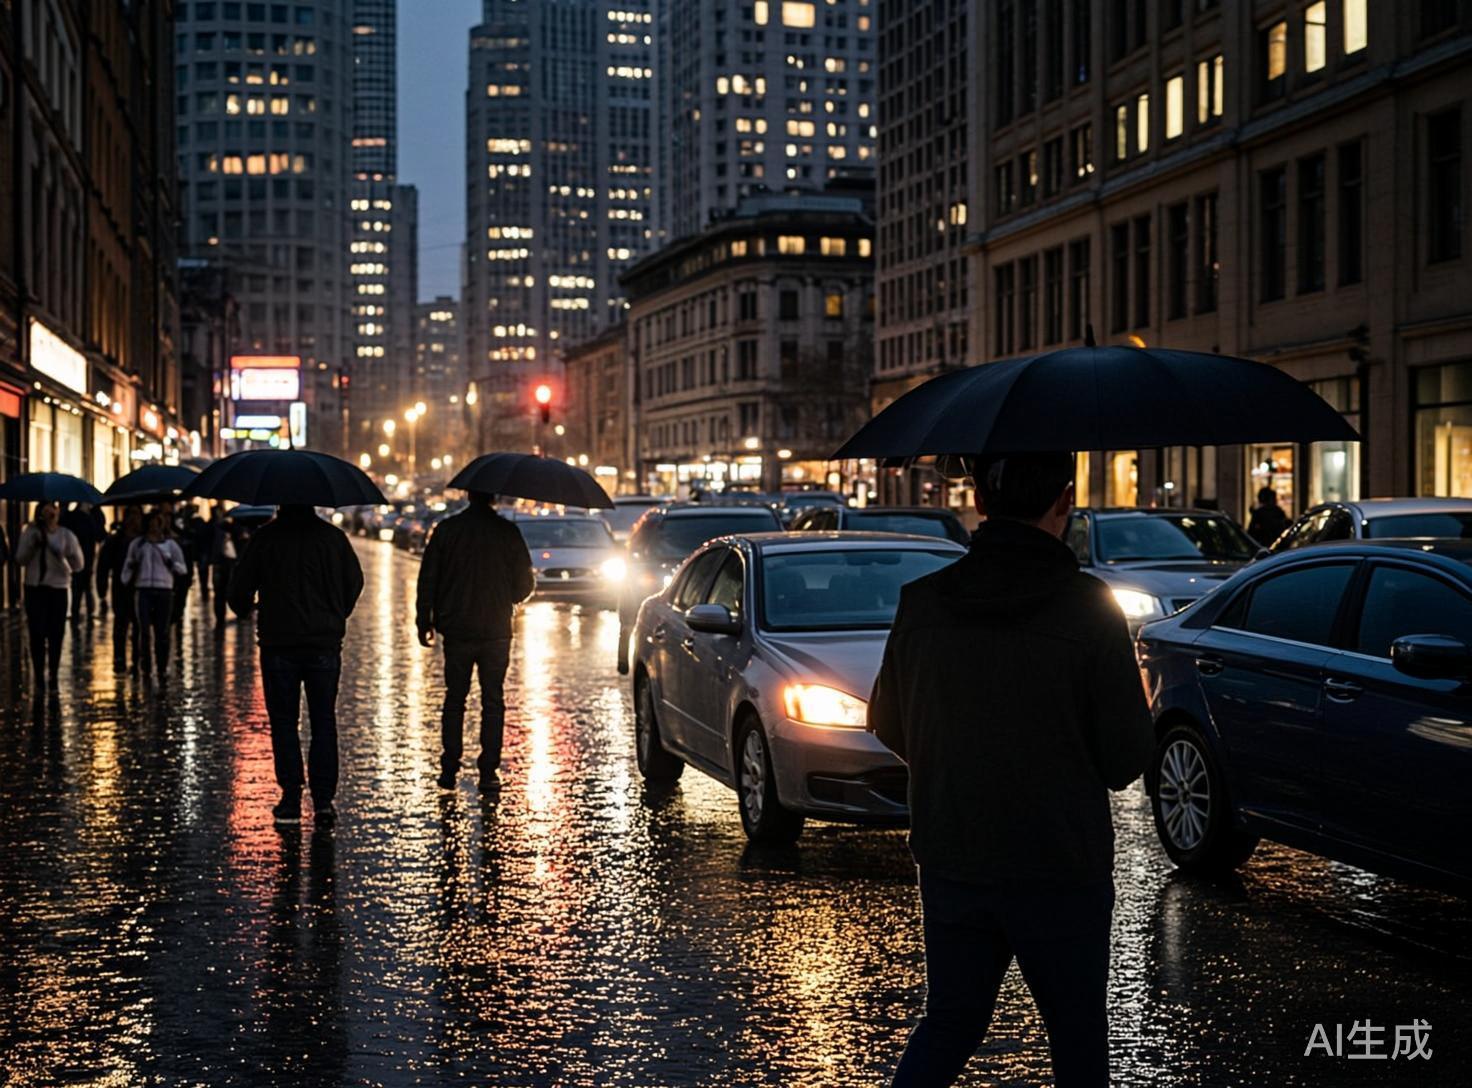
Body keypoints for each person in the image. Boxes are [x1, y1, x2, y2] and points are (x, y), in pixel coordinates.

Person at [868, 451, 1155, 1088]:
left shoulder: (924, 602)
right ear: (1063, 502)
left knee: (950, 1022)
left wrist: (958, 765)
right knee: (1076, 1031)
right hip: (1058, 861)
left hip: (953, 852)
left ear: (978, 506)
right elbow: (1124, 760)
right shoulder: (1089, 607)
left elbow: (886, 721)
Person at [228, 505, 364, 827]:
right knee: (323, 721)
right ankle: (323, 800)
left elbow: (239, 590)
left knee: (284, 722)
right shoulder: (333, 538)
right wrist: (334, 614)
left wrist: (247, 607)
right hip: (323, 644)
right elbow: (354, 582)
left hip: (279, 643)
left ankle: (290, 796)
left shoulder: (266, 538)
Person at [415, 490, 534, 791]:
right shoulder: (508, 532)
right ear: (495, 497)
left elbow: (428, 578)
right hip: (495, 629)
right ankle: (488, 772)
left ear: (468, 495)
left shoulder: (447, 530)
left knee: (455, 698)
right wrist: (506, 599)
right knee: (493, 700)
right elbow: (525, 584)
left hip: (456, 628)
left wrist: (424, 619)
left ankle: (449, 767)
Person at [14, 501, 84, 690]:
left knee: (56, 632)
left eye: (52, 512)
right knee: (36, 632)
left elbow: (78, 564)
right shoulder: (30, 532)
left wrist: (59, 550)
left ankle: (53, 671)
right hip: (35, 587)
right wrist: (32, 545)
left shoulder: (65, 535)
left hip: (58, 587)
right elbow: (20, 558)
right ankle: (38, 673)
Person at [122, 511, 188, 685]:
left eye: (157, 523)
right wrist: (131, 568)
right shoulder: (138, 545)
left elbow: (182, 569)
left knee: (162, 632)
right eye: (151, 523)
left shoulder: (170, 545)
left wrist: (171, 564)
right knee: (143, 631)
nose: (154, 527)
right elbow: (126, 571)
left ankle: (161, 667)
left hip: (164, 590)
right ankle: (146, 667)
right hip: (143, 590)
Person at [98, 507, 145, 674]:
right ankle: (119, 658)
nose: (134, 520)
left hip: (140, 587)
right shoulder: (116, 540)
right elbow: (103, 565)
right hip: (120, 587)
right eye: (131, 516)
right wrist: (101, 588)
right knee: (121, 623)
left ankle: (137, 657)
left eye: (137, 516)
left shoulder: (144, 540)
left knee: (139, 624)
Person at [60, 501, 106, 622]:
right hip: (84, 554)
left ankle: (78, 611)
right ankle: (86, 611)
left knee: (79, 585)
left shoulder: (77, 516)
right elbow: (100, 534)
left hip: (80, 555)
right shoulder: (88, 517)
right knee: (84, 585)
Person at [206, 505, 240, 626]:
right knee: (219, 591)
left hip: (231, 562)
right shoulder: (214, 527)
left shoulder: (234, 527)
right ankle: (220, 618)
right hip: (219, 562)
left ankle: (236, 612)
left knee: (231, 589)